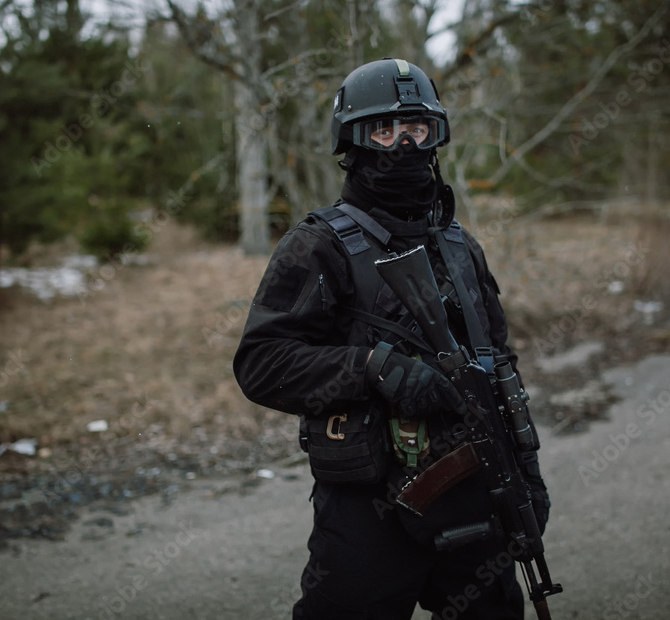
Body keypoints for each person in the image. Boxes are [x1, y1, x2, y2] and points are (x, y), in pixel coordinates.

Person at [233, 57, 551, 619]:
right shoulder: (317, 246)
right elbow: (262, 364)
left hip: (475, 491)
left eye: (417, 129)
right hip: (368, 509)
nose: (403, 145)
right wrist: (374, 369)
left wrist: (526, 472)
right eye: (385, 130)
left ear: (436, 137)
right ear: (353, 141)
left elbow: (499, 364)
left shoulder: (460, 246)